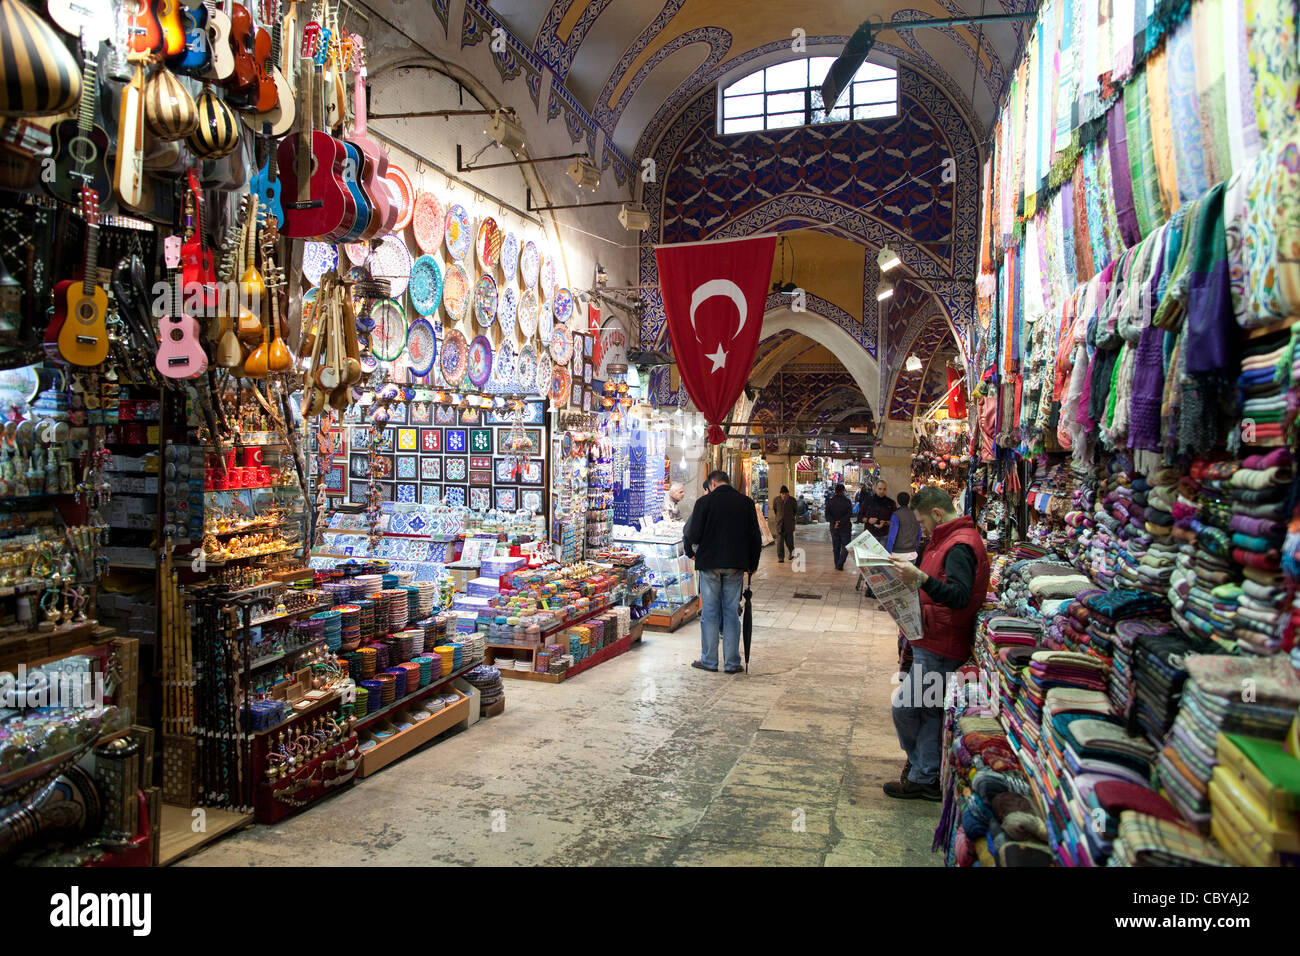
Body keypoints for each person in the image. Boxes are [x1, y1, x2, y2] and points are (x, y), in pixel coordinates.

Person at [883, 485, 991, 800]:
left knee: (905, 708)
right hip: (932, 638)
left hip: (941, 645)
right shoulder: (947, 541)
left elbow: (958, 596)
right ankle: (925, 776)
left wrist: (920, 579)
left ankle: (922, 769)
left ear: (936, 513)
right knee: (929, 711)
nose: (922, 528)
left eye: (922, 521)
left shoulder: (959, 546)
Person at [683, 471, 762, 674]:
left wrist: (693, 553)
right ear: (728, 482)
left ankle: (709, 661)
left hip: (709, 564)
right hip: (736, 565)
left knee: (710, 613)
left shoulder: (704, 503)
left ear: (712, 483)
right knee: (731, 613)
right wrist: (752, 565)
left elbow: (692, 534)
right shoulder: (746, 503)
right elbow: (755, 537)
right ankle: (732, 663)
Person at [885, 491, 921, 562]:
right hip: (912, 554)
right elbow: (919, 534)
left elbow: (892, 537)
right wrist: (915, 548)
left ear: (898, 501)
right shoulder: (915, 514)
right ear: (908, 501)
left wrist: (888, 551)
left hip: (898, 554)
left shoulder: (896, 515)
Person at [824, 483, 853, 571]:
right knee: (846, 546)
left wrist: (834, 522)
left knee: (836, 547)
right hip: (845, 527)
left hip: (834, 528)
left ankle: (837, 564)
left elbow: (827, 515)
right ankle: (840, 563)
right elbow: (849, 514)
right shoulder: (847, 501)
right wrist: (841, 522)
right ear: (843, 491)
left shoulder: (830, 501)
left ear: (835, 491)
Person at [771, 485, 797, 563]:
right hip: (780, 524)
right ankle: (780, 557)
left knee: (789, 541)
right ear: (780, 494)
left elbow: (795, 511)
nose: (784, 495)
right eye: (782, 494)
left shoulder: (792, 500)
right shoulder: (776, 500)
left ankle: (792, 552)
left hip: (789, 524)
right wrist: (779, 518)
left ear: (788, 494)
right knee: (780, 542)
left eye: (785, 494)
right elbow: (775, 510)